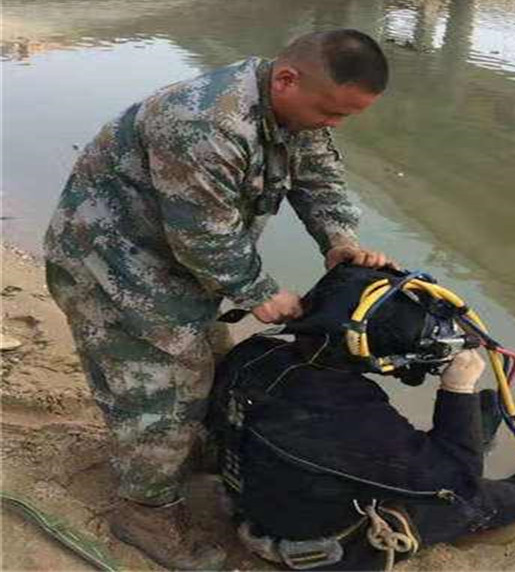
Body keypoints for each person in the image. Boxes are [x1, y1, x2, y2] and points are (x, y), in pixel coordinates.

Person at [43, 30, 395, 570]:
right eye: (330, 111)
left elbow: (319, 179)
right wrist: (260, 292)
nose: (334, 124)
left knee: (214, 366)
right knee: (164, 392)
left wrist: (339, 242)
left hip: (177, 270)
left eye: (346, 117)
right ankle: (143, 509)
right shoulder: (203, 122)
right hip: (113, 267)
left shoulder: (294, 111)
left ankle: (183, 457)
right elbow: (202, 237)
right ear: (287, 78)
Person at [209, 264, 515, 571]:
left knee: (429, 450)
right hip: (328, 551)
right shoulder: (353, 419)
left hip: (262, 501)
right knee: (465, 498)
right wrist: (456, 390)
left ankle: (470, 434)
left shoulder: (256, 353)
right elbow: (456, 482)